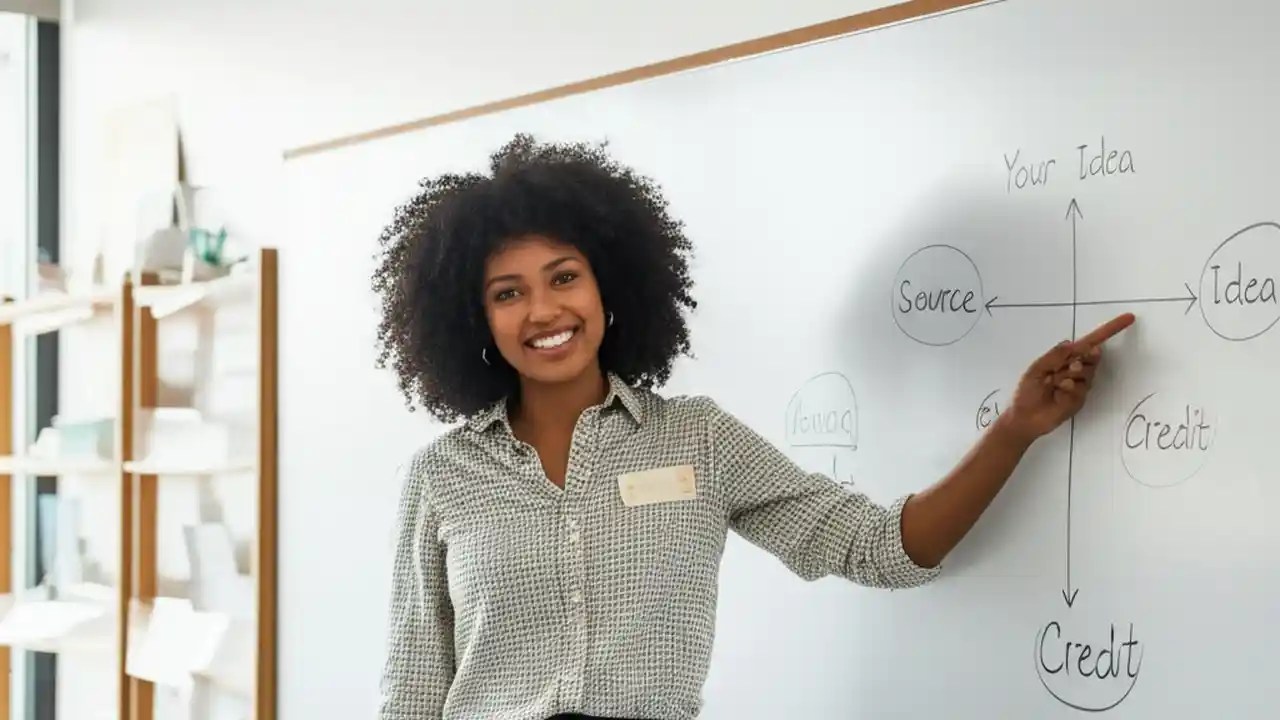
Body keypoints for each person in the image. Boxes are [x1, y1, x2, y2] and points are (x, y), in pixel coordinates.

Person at [369, 134, 1135, 720]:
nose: (543, 311)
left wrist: (1015, 429)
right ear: (475, 318)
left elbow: (881, 550)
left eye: (564, 277)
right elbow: (411, 691)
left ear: (611, 284)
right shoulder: (445, 475)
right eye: (508, 293)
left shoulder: (699, 441)